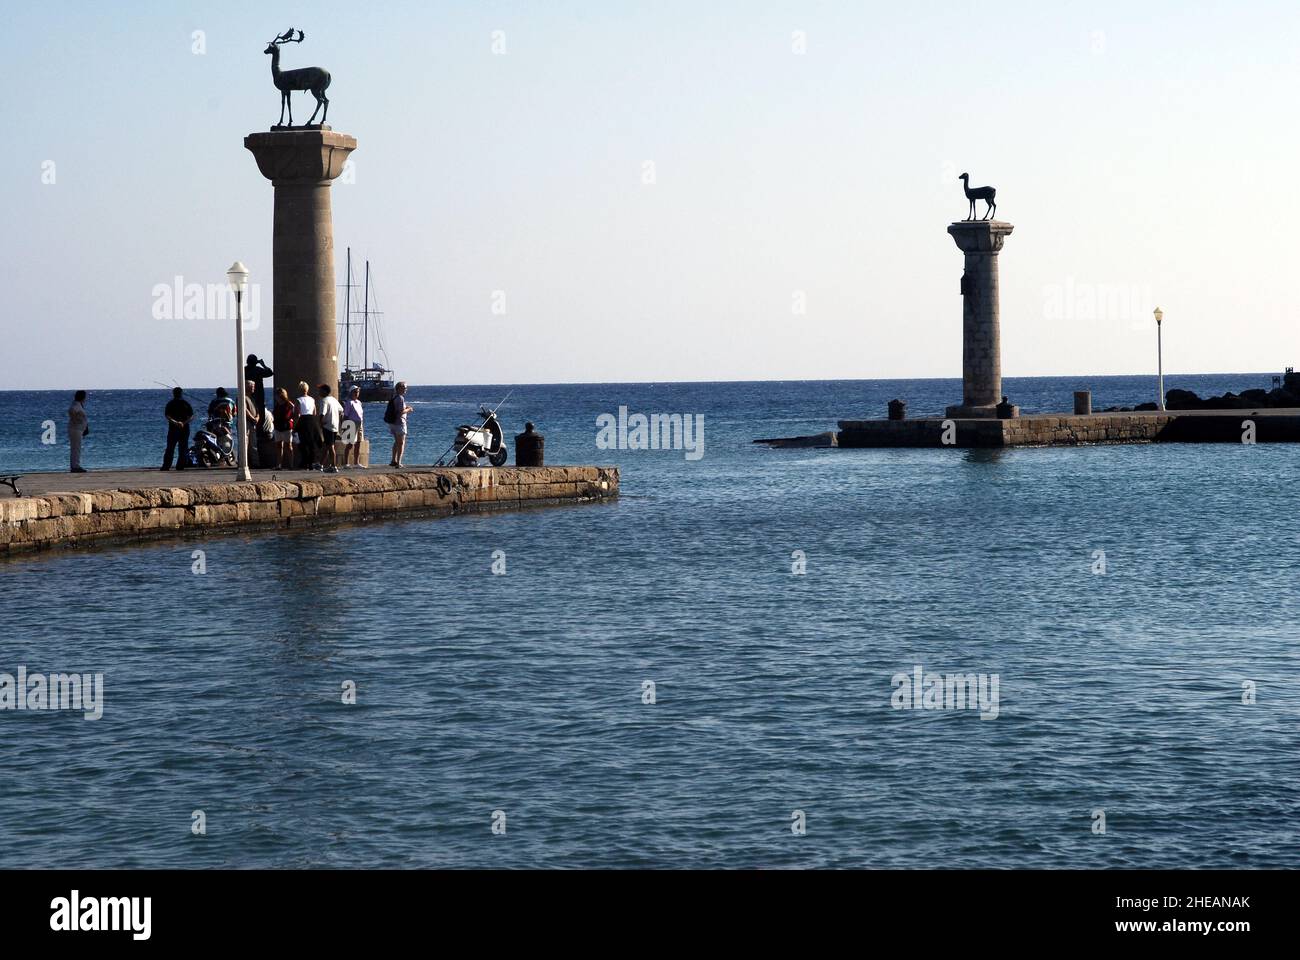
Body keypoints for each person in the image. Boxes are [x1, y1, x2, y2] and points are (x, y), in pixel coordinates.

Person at [162, 387, 193, 471]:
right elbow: (191, 416)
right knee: (182, 447)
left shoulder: (170, 403)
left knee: (170, 447)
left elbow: (167, 416)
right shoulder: (186, 403)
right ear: (181, 393)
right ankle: (180, 466)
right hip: (184, 427)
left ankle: (166, 466)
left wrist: (175, 422)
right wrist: (183, 423)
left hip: (173, 428)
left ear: (173, 393)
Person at [385, 381, 413, 468]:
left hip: (393, 423)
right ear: (399, 388)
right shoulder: (400, 398)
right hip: (399, 423)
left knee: (396, 442)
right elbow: (401, 412)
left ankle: (393, 460)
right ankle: (399, 462)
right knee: (401, 442)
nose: (406, 389)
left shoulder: (394, 397)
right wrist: (409, 409)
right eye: (404, 388)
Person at [294, 381, 321, 470]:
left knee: (303, 443)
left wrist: (295, 426)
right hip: (312, 421)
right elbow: (315, 412)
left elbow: (296, 414)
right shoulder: (312, 399)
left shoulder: (298, 400)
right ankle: (312, 462)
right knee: (312, 443)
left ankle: (305, 463)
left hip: (303, 421)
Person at [318, 383, 344, 473]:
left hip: (327, 425)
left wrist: (320, 422)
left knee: (330, 446)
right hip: (335, 425)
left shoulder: (324, 400)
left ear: (325, 391)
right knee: (326, 445)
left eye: (320, 390)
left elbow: (322, 413)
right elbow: (341, 410)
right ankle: (320, 464)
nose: (319, 391)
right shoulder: (333, 400)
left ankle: (333, 466)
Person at [272, 387, 295, 469]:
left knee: (288, 446)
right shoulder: (277, 405)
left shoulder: (288, 404)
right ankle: (278, 464)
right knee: (278, 446)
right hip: (278, 427)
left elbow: (292, 413)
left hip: (286, 427)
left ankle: (291, 465)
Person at [244, 354, 273, 419]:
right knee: (260, 417)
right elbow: (270, 373)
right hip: (259, 396)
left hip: (247, 395)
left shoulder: (244, 370)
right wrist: (263, 365)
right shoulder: (258, 370)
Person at [343, 385, 365, 469]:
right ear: (351, 393)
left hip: (360, 424)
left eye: (358, 392)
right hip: (351, 423)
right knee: (350, 444)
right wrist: (345, 427)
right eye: (355, 392)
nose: (356, 393)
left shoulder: (359, 402)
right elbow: (345, 415)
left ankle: (356, 463)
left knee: (358, 443)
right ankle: (346, 463)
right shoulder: (349, 403)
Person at [67, 390, 88, 473]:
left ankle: (74, 465)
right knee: (76, 448)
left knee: (75, 448)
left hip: (78, 429)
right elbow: (71, 411)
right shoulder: (76, 405)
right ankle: (75, 466)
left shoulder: (78, 404)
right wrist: (75, 420)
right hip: (76, 429)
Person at [243, 380, 262, 468]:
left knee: (253, 443)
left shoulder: (252, 398)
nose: (253, 388)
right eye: (252, 386)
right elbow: (245, 409)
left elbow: (257, 410)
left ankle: (256, 463)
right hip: (246, 423)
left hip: (253, 423)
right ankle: (244, 462)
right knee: (245, 443)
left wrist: (257, 417)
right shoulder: (243, 397)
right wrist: (252, 418)